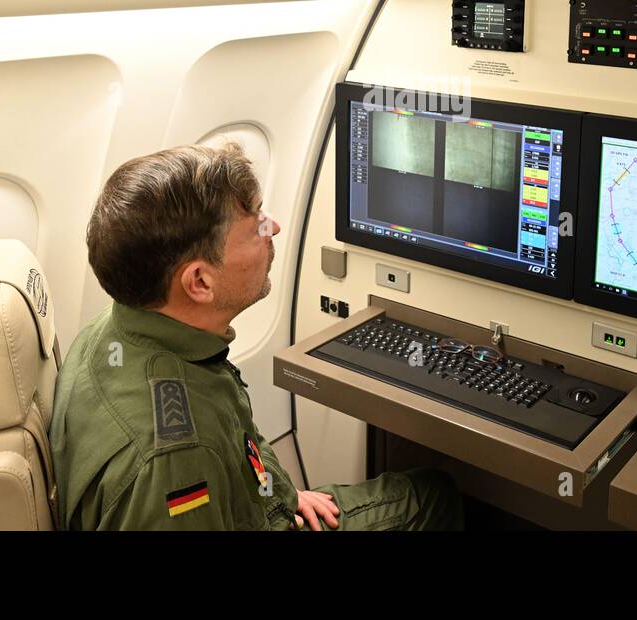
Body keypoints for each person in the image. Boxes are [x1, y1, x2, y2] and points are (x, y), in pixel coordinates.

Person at [50, 141, 463, 530]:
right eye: (255, 227)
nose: (275, 227)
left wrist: (278, 491)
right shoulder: (175, 460)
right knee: (434, 497)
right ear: (199, 282)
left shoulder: (118, 329)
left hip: (260, 508)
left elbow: (237, 439)